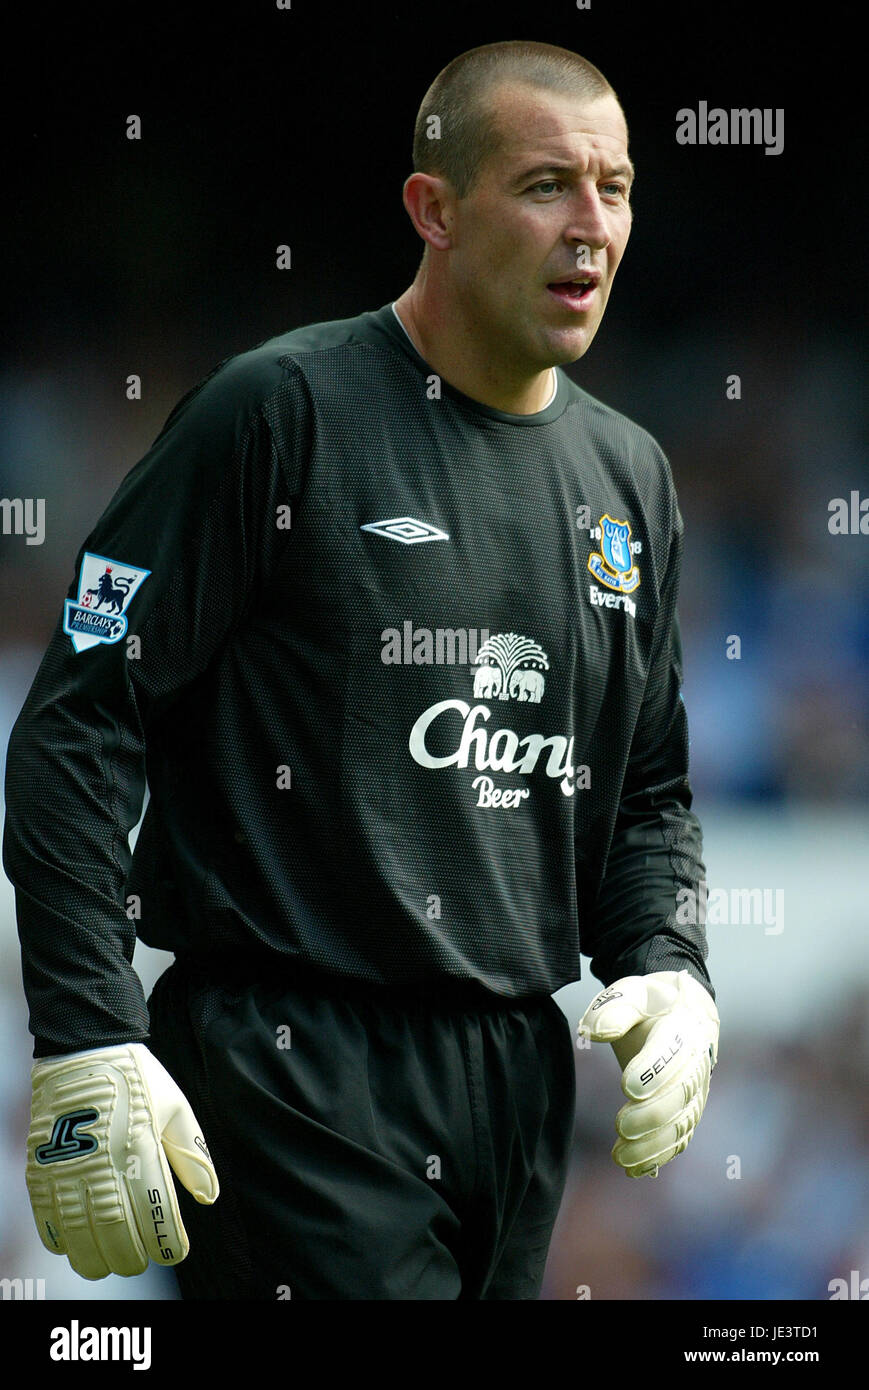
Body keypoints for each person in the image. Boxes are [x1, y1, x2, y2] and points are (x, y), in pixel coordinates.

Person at [3, 39, 719, 1301]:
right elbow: (77, 724)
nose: (591, 226)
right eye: (547, 185)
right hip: (292, 1064)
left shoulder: (628, 477)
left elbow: (645, 785)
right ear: (431, 210)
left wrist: (666, 959)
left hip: (511, 1070)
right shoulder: (276, 413)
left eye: (615, 188)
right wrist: (86, 1031)